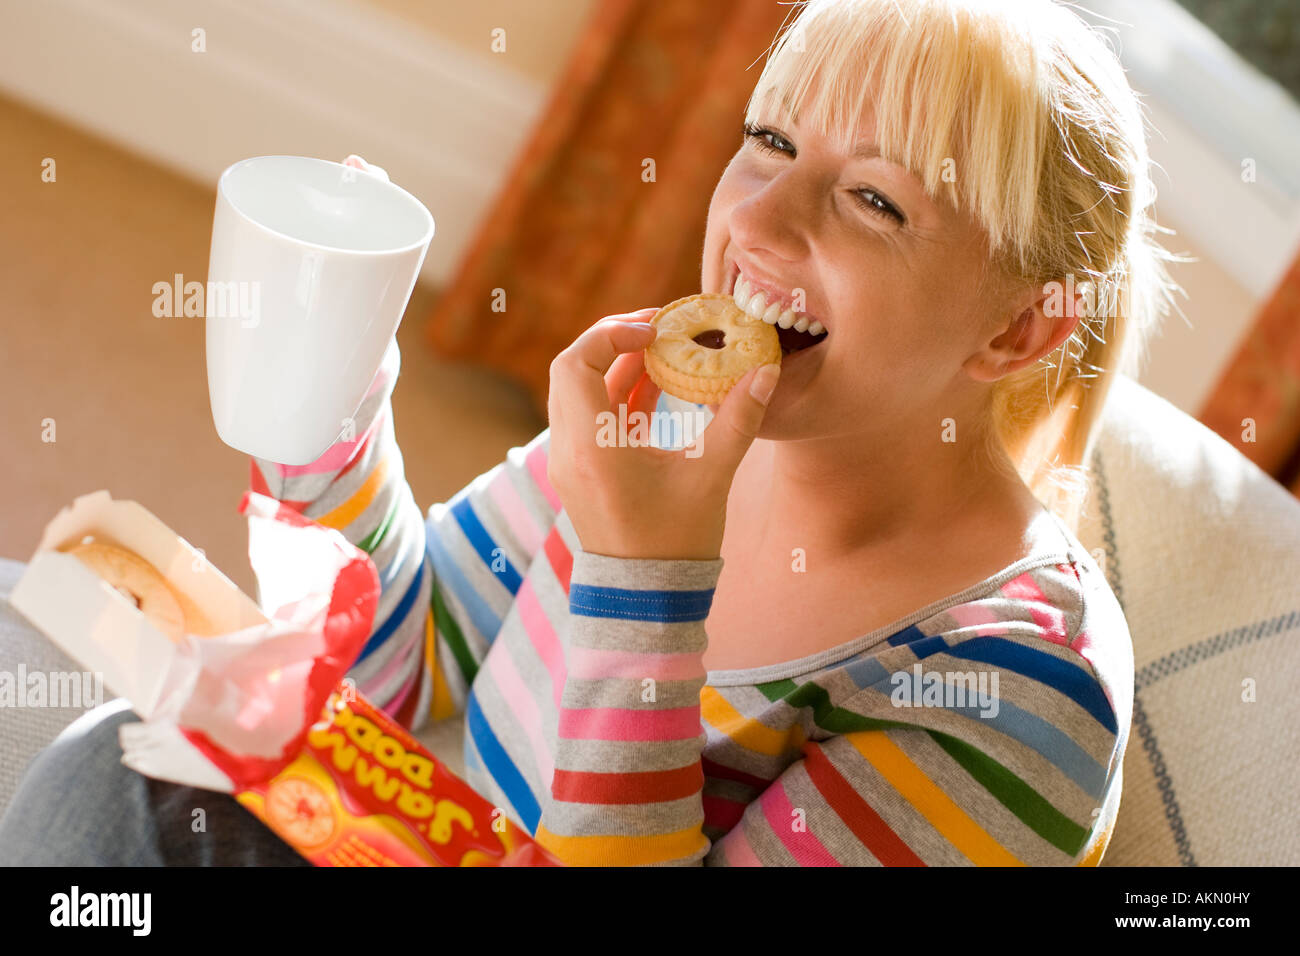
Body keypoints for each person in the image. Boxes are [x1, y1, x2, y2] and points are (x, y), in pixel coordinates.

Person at [0, 0, 1177, 866]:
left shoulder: (1014, 682)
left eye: (874, 199)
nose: (759, 217)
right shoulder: (666, 421)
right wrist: (332, 380)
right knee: (125, 755)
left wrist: (641, 578)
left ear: (1019, 330)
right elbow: (392, 673)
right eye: (769, 141)